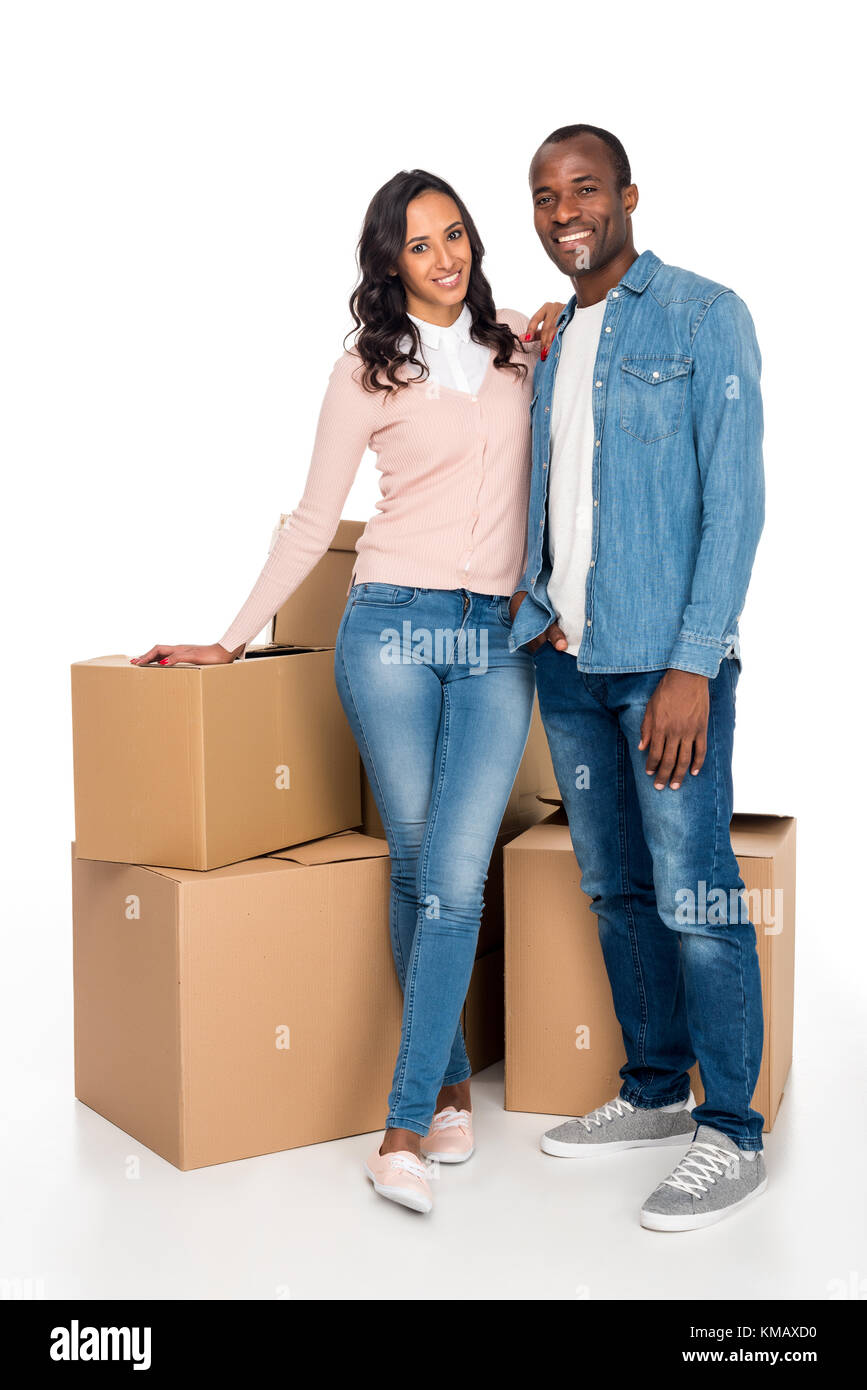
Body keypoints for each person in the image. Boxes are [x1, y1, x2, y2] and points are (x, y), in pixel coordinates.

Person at [132, 169, 563, 1216]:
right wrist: (231, 641)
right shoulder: (365, 371)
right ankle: (445, 1084)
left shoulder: (518, 342)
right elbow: (312, 520)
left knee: (454, 881)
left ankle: (403, 1126)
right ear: (389, 264)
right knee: (421, 862)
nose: (445, 256)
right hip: (389, 631)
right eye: (419, 245)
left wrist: (555, 319)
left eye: (454, 234)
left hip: (497, 636)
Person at [509, 124, 766, 1231]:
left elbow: (736, 503)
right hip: (567, 662)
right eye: (544, 194)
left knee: (697, 900)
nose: (566, 210)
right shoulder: (557, 337)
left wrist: (693, 664)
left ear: (627, 195)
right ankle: (657, 1091)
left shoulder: (707, 316)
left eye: (585, 188)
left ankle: (734, 1131)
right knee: (615, 890)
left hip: (663, 671)